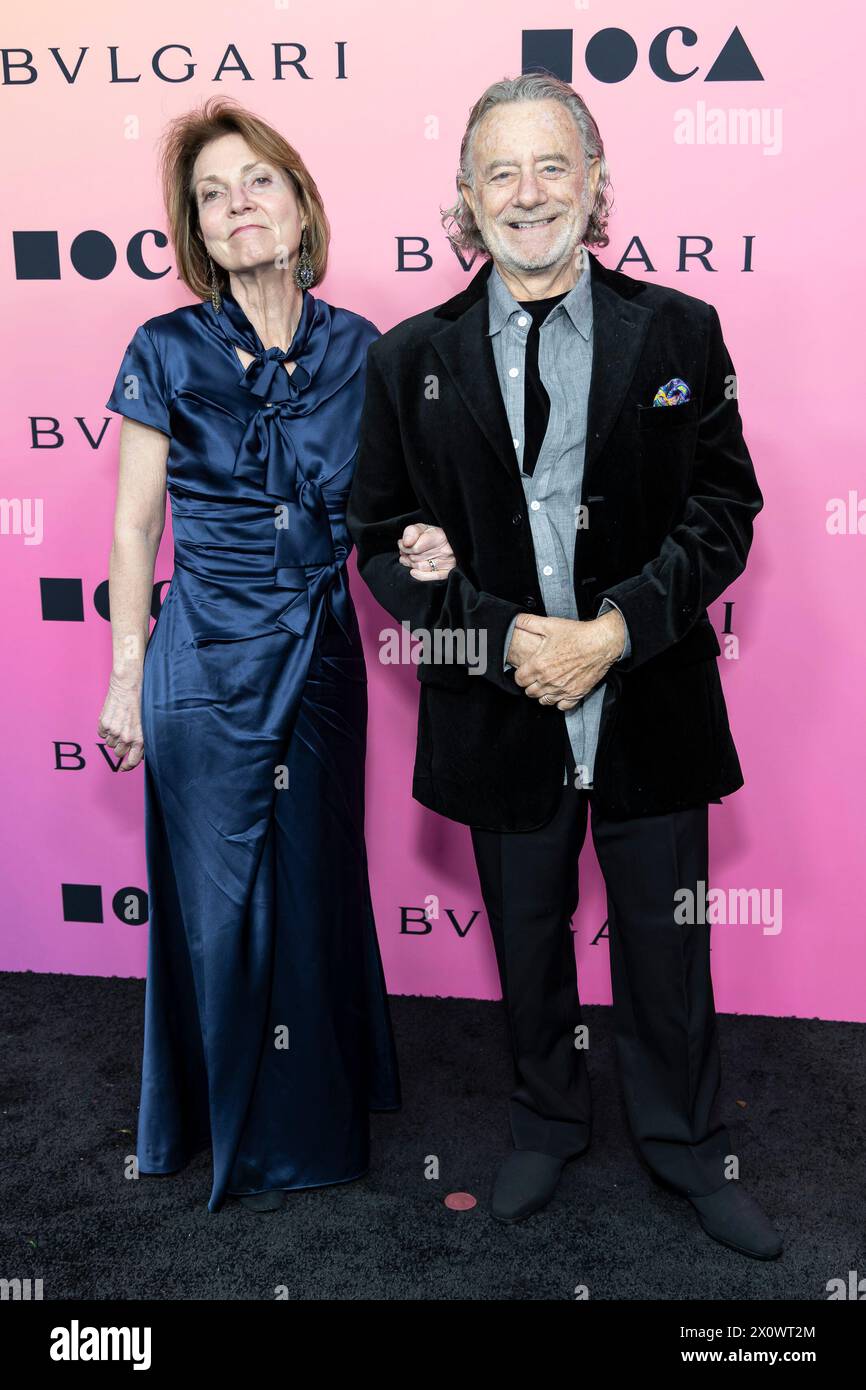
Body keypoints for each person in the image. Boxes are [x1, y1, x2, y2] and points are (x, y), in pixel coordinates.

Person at [347, 73, 781, 1259]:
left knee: (665, 941)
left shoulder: (679, 332)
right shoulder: (406, 360)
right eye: (499, 172)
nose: (526, 193)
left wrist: (616, 628)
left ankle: (688, 1145)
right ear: (465, 201)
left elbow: (724, 505)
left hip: (647, 702)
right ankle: (545, 1117)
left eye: (550, 167)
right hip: (499, 713)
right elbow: (379, 545)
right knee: (525, 934)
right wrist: (500, 639)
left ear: (593, 185)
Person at [98, 96, 400, 1215]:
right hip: (204, 664)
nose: (237, 207)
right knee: (220, 901)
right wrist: (126, 678)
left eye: (256, 182)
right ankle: (219, 1117)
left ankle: (319, 1113)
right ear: (197, 228)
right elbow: (134, 528)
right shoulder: (163, 348)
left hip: (319, 654)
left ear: (298, 199)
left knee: (315, 879)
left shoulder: (363, 347)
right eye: (212, 195)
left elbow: (387, 512)